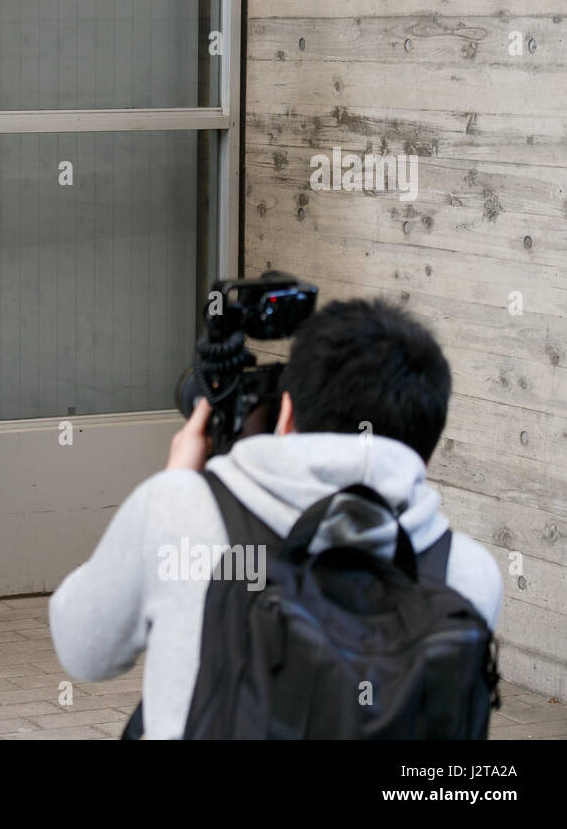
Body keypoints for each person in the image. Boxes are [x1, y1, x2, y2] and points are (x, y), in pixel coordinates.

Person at [48, 297, 504, 738]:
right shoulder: (468, 571)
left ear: (285, 414)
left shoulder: (178, 512)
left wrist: (174, 483)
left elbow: (85, 650)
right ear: (425, 452)